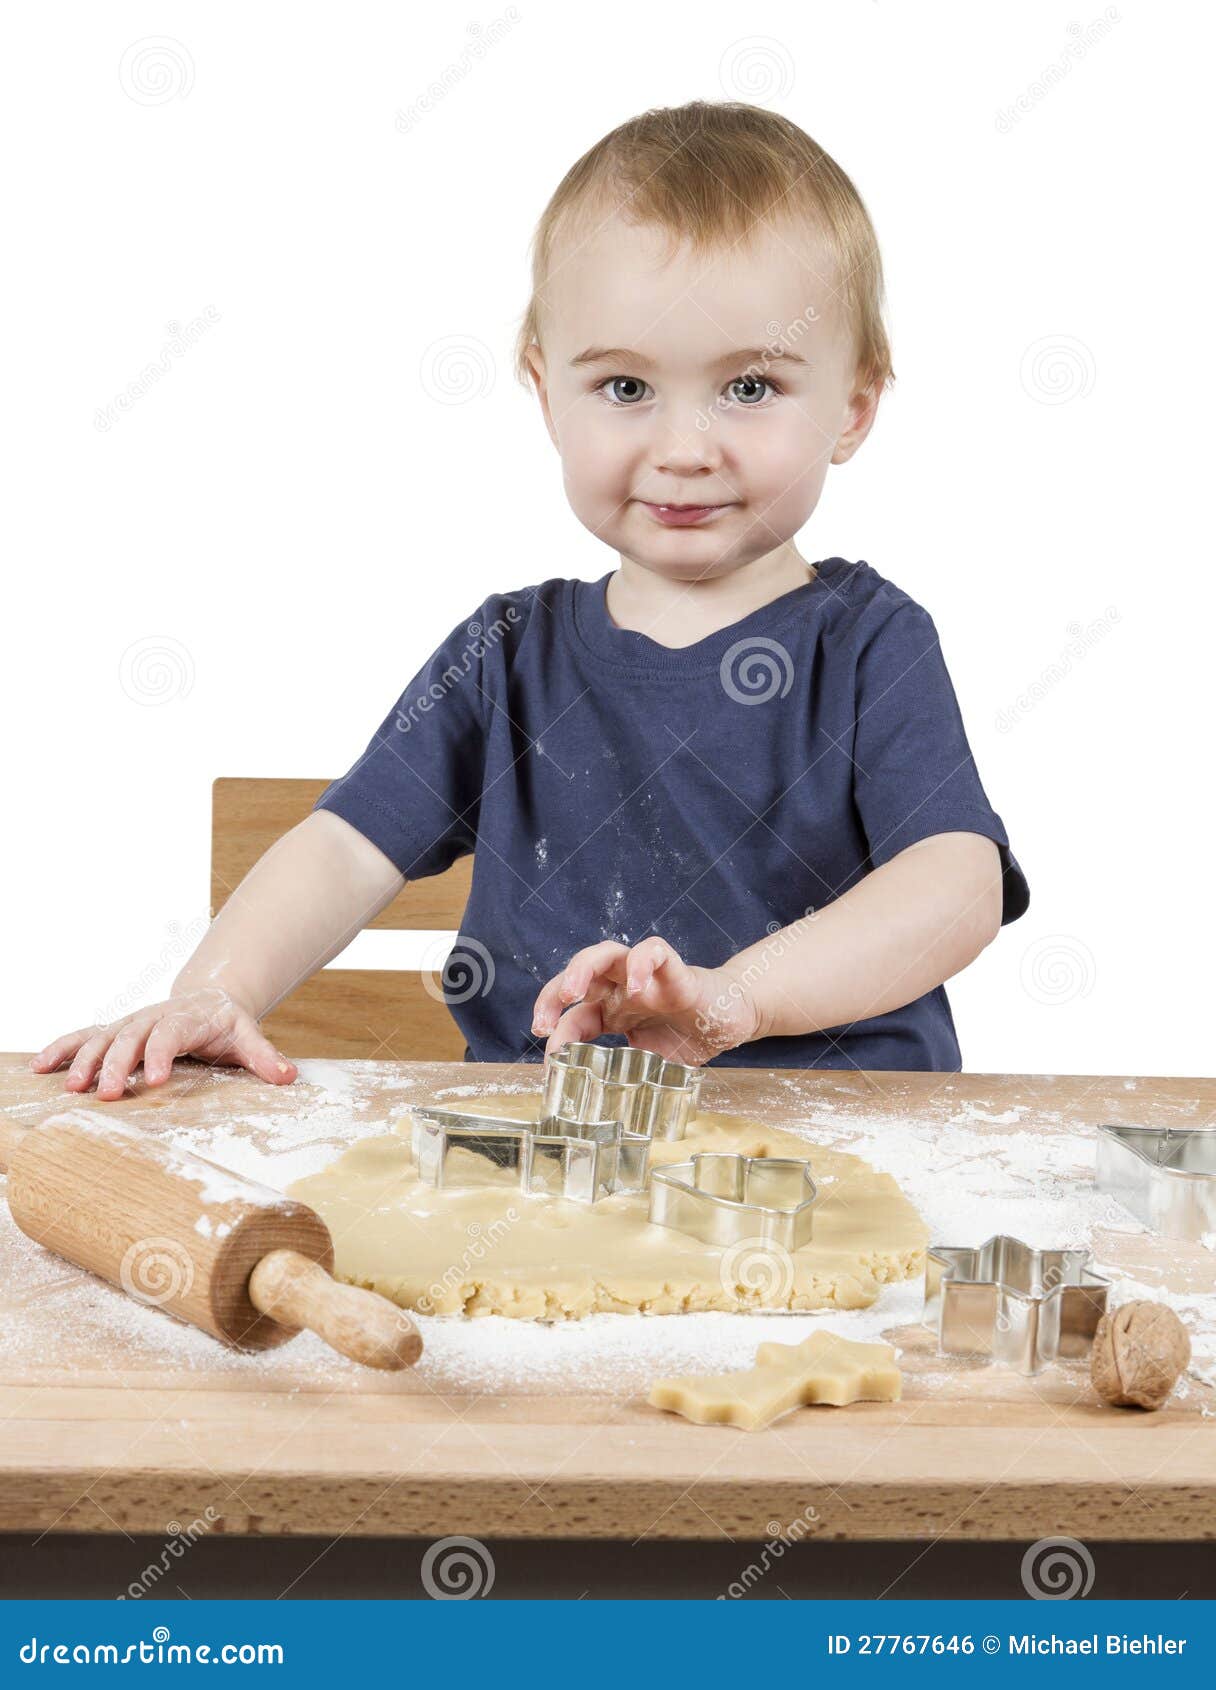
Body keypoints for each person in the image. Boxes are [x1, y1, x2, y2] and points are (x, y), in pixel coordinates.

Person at [32, 100, 1028, 1101]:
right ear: (547, 392)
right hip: (536, 1155)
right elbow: (343, 849)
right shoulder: (506, 655)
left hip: (833, 1162)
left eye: (752, 387)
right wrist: (214, 989)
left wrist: (737, 999)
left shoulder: (869, 646)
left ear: (852, 407)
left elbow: (956, 884)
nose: (684, 448)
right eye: (627, 389)